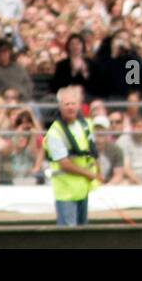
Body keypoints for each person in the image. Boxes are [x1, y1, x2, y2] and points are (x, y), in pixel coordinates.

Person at [43, 86, 101, 226]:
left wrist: (98, 172)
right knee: (68, 232)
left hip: (83, 188)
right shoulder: (55, 133)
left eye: (73, 103)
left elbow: (92, 151)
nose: (70, 107)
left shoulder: (86, 125)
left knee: (83, 229)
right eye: (66, 104)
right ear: (60, 107)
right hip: (65, 191)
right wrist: (89, 173)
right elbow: (65, 163)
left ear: (79, 105)